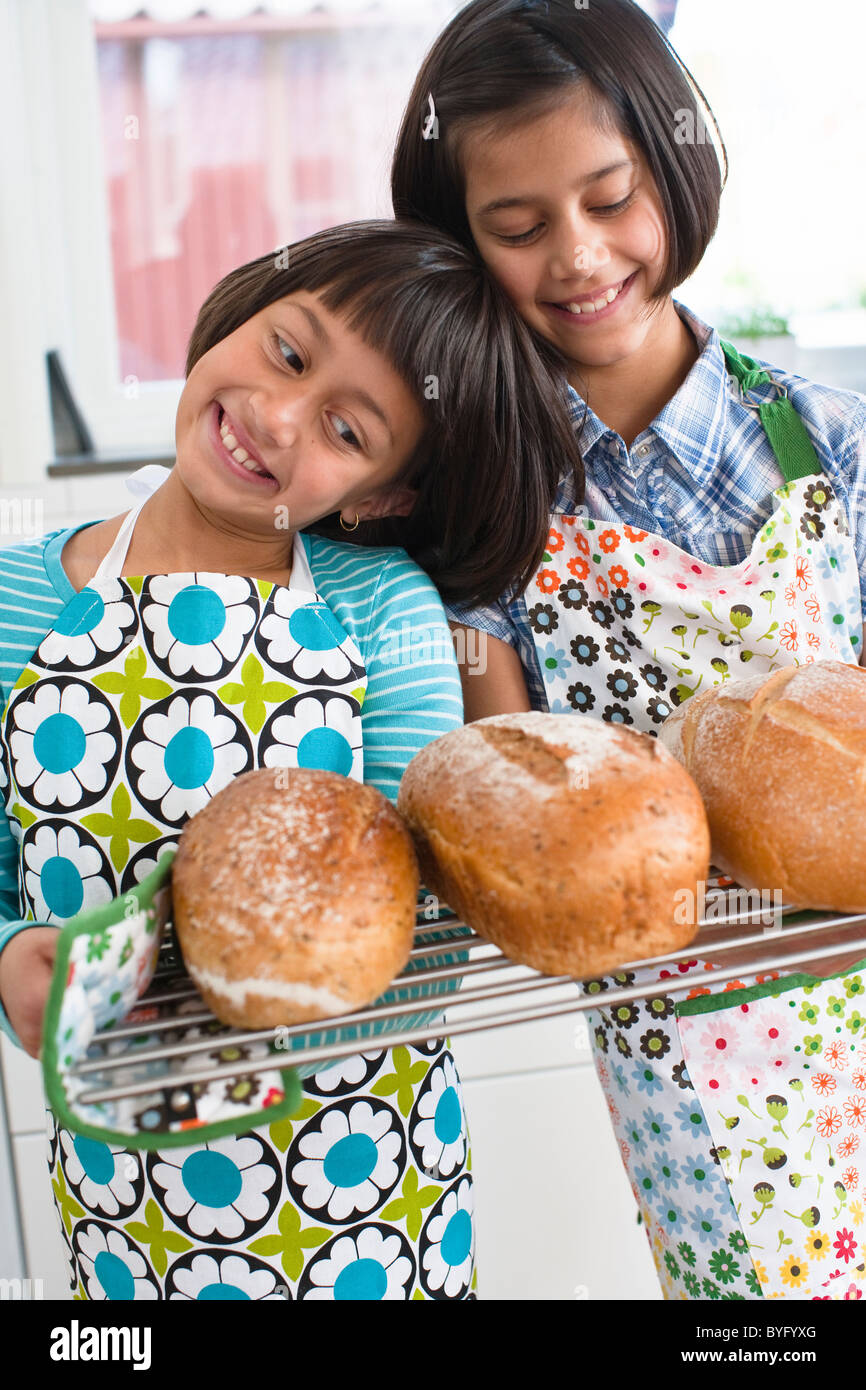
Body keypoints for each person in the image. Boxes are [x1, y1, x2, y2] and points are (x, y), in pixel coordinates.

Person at [0, 217, 580, 1300]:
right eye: (287, 352)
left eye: (345, 432)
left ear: (378, 499)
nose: (272, 417)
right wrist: (11, 959)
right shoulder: (13, 602)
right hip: (132, 1206)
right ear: (241, 311)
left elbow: (434, 927)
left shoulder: (385, 609)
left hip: (366, 1185)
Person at [391, 0, 866, 1299]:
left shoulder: (832, 443)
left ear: (675, 170)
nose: (579, 255)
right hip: (685, 1062)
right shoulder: (482, 502)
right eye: (517, 225)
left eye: (611, 197)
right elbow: (497, 790)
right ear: (457, 237)